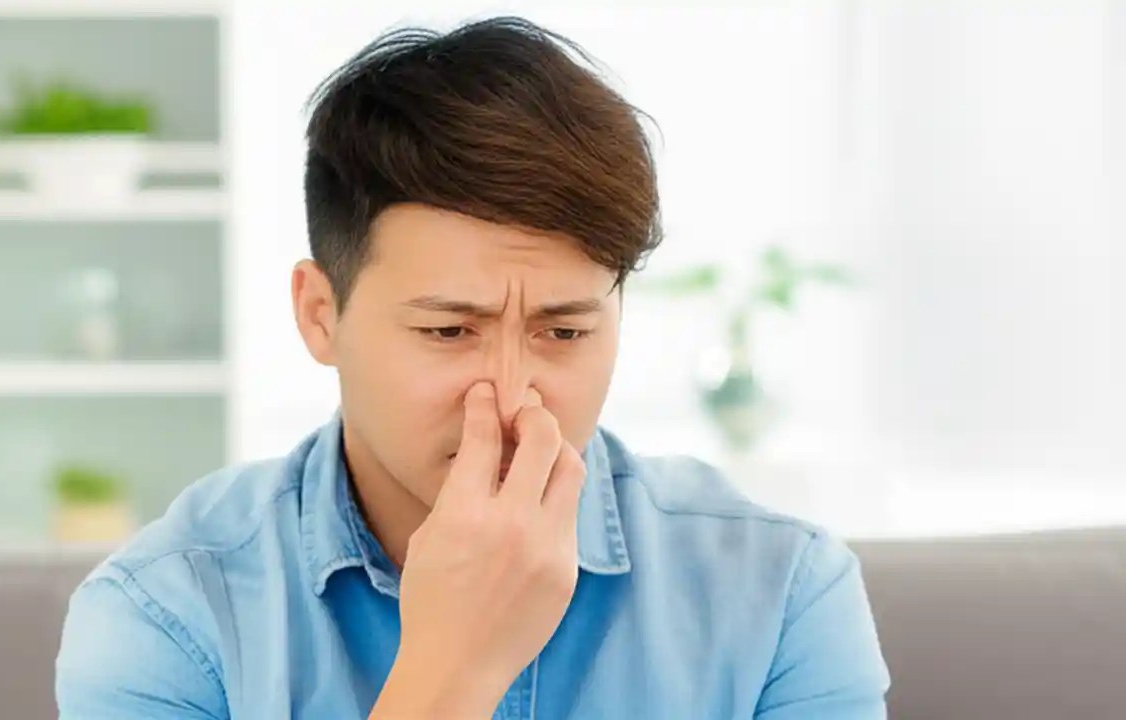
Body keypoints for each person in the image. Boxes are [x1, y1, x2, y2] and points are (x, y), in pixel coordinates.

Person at [56, 16, 889, 719]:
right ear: (320, 314)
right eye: (450, 331)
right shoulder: (168, 618)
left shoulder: (780, 593)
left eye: (564, 334)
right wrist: (451, 671)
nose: (514, 395)